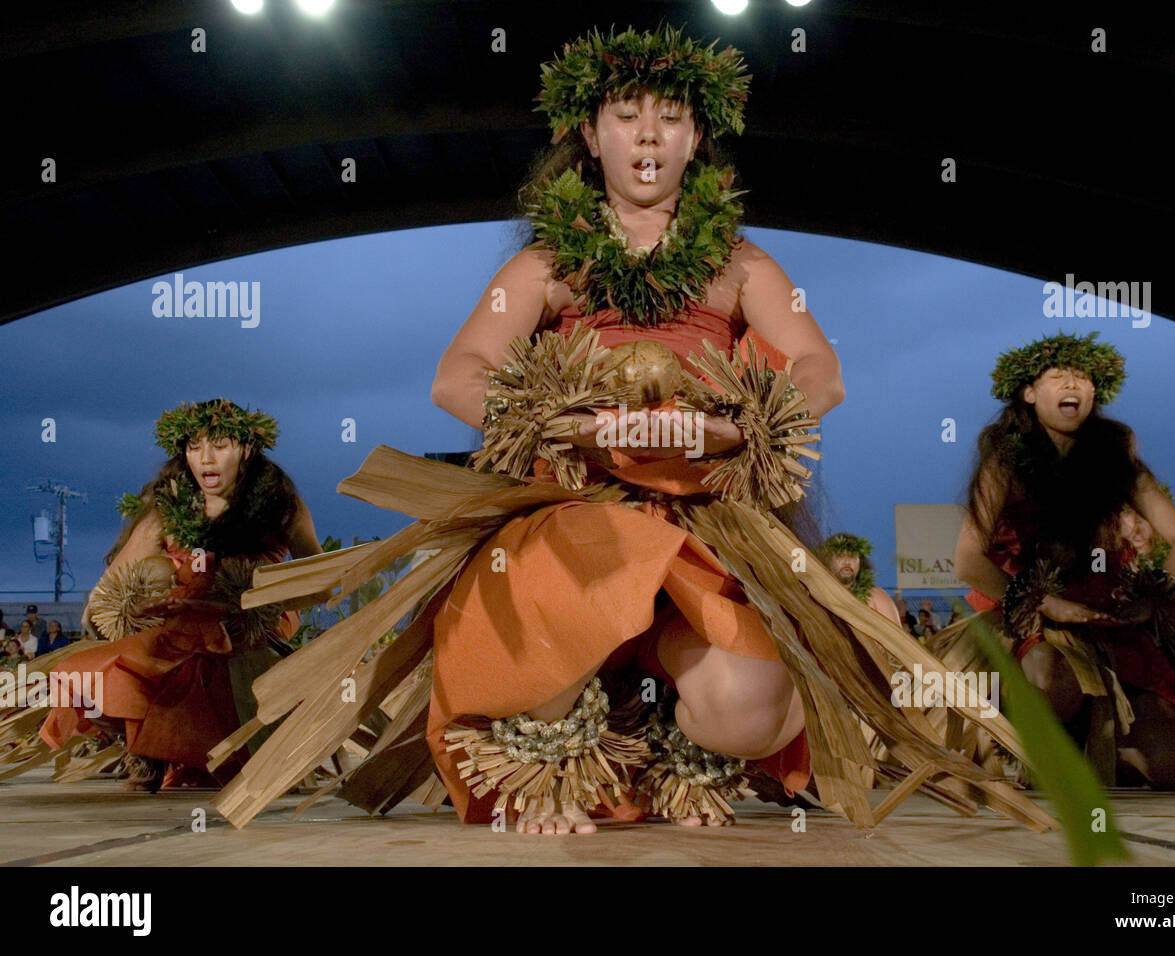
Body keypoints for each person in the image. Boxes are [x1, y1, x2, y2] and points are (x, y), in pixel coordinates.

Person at [211, 24, 1050, 838]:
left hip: (706, 517)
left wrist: (735, 425)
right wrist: (560, 421)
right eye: (626, 115)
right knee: (564, 589)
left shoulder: (745, 267)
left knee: (746, 712)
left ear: (696, 139)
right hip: (574, 506)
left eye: (671, 118)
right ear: (589, 132)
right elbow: (457, 375)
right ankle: (550, 757)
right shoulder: (544, 265)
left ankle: (695, 733)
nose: (648, 134)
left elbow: (818, 369)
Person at [953, 332, 1175, 792]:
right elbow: (968, 563)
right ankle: (1018, 747)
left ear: (1096, 393)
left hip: (1112, 623)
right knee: (1051, 671)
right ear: (1029, 393)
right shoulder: (1004, 458)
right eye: (1057, 377)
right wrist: (1047, 606)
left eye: (1082, 378)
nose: (1071, 385)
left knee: (1170, 769)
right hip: (1030, 618)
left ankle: (1080, 751)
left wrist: (1148, 599)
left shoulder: (1115, 458)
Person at [36, 399, 322, 791]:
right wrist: (129, 610)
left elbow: (320, 582)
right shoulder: (169, 509)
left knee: (201, 653)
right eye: (193, 447)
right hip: (178, 623)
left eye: (219, 445)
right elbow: (115, 581)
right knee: (80, 673)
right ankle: (142, 743)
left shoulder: (281, 506)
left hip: (254, 624)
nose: (205, 458)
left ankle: (164, 749)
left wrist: (260, 602)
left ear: (246, 450)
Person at [817, 532, 901, 625]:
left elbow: (896, 637)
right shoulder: (816, 595)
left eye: (852, 556)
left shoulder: (875, 597)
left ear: (860, 562)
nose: (847, 562)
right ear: (828, 561)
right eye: (840, 556)